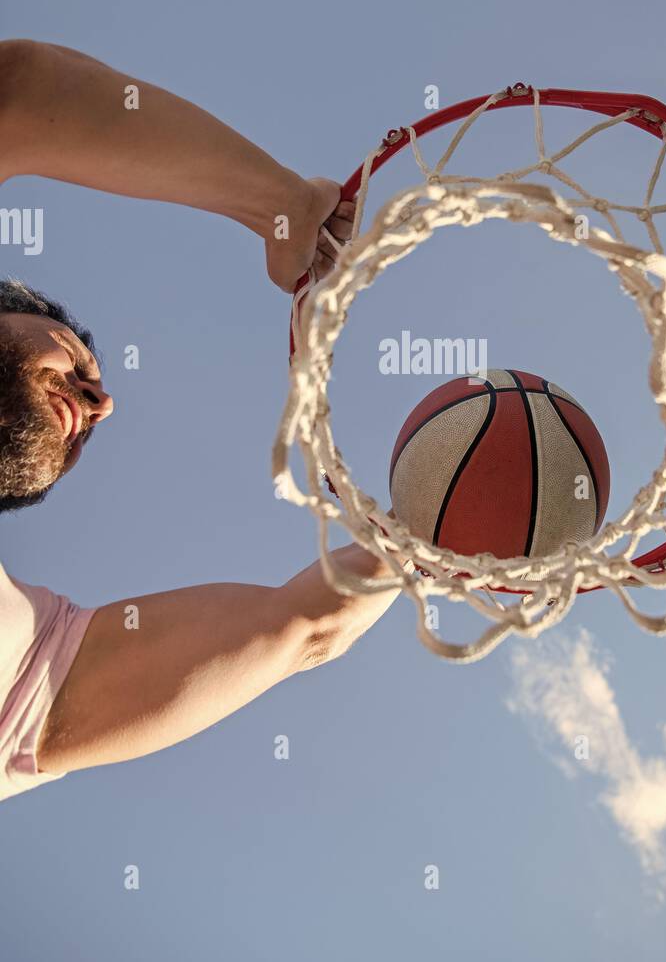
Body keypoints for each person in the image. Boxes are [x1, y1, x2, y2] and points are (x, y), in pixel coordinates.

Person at [0, 39, 399, 801]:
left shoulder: (21, 655)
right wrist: (274, 203)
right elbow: (15, 97)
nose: (101, 402)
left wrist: (429, 538)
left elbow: (301, 629)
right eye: (78, 363)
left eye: (95, 390)